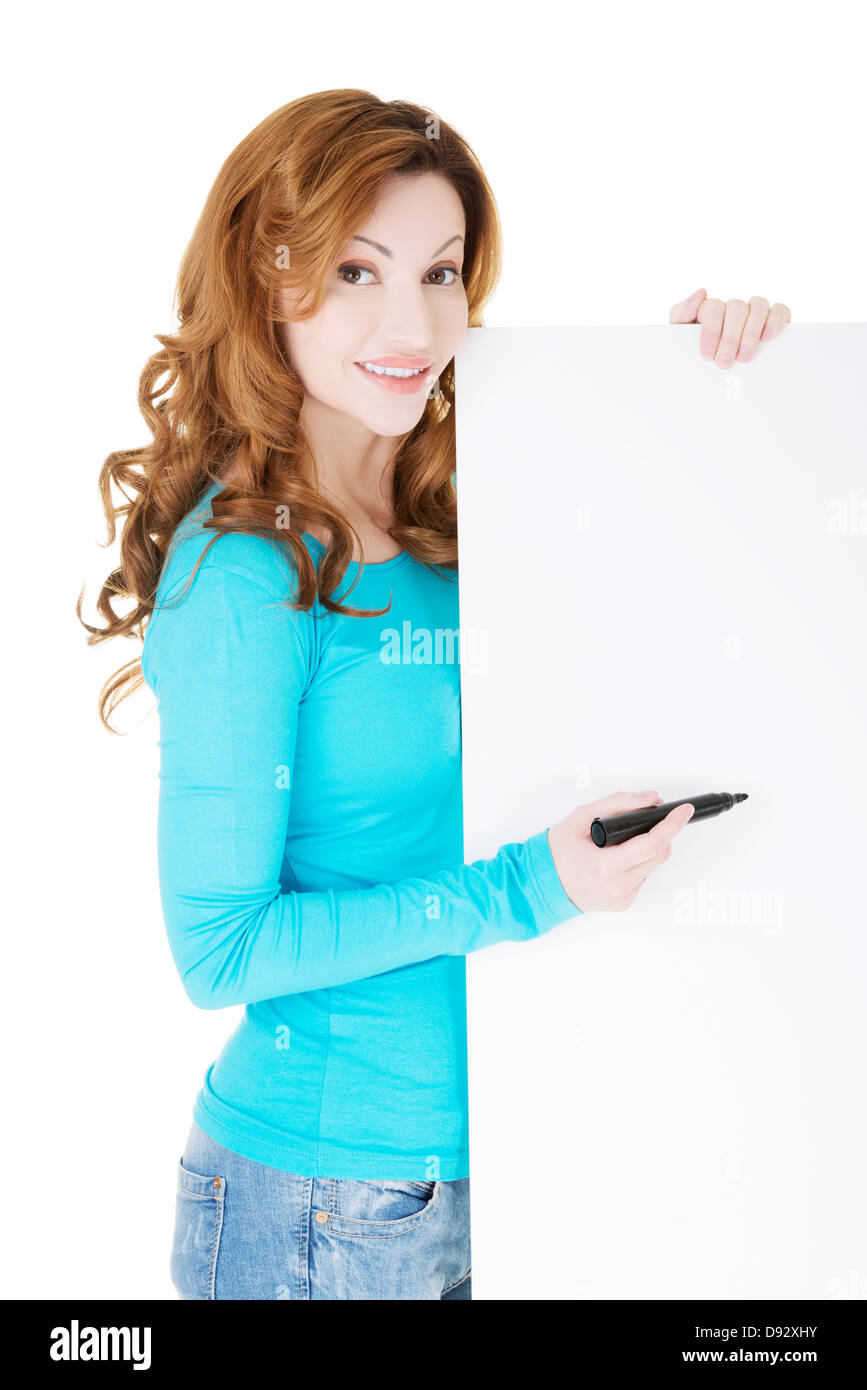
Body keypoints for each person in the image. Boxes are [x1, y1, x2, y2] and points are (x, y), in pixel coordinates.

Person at [81, 89, 790, 1300]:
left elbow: (654, 617)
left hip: (519, 1150)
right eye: (359, 271)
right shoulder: (247, 576)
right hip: (317, 1202)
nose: (414, 320)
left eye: (442, 271)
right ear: (268, 282)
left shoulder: (455, 515)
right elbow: (217, 949)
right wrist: (526, 889)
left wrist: (691, 391)